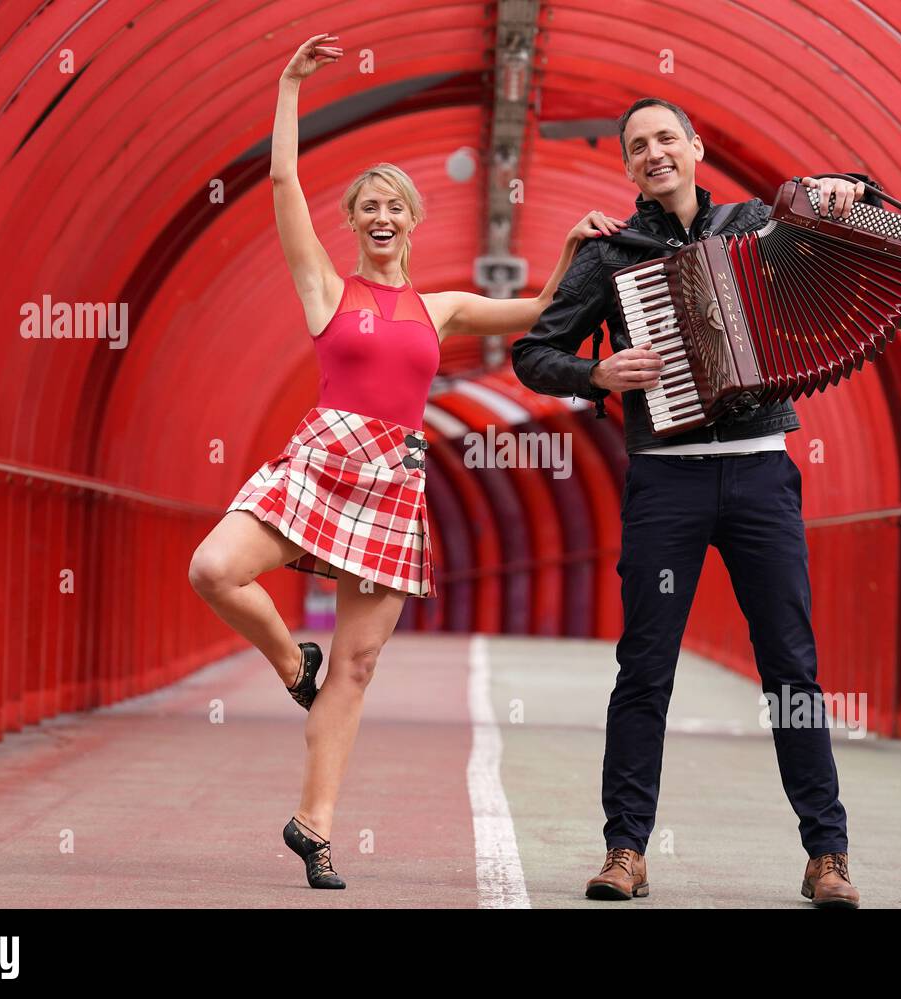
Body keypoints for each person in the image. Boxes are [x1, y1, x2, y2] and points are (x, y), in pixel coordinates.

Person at [187, 32, 625, 890]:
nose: (382, 217)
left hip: (393, 479)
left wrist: (574, 245)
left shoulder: (445, 307)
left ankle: (314, 827)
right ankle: (288, 663)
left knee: (357, 664)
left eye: (395, 206)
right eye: (368, 206)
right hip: (320, 458)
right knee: (214, 567)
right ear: (352, 222)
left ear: (413, 222)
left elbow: (537, 309)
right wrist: (287, 88)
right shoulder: (325, 288)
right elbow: (281, 185)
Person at [511, 96, 882, 908]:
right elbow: (532, 353)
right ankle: (625, 850)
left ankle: (827, 855)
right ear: (627, 165)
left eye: (666, 139)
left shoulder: (754, 225)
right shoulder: (613, 255)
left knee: (791, 666)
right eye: (638, 145)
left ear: (696, 148)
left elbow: (868, 218)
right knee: (645, 666)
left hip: (760, 472)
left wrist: (851, 185)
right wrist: (596, 374)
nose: (654, 153)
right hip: (666, 480)